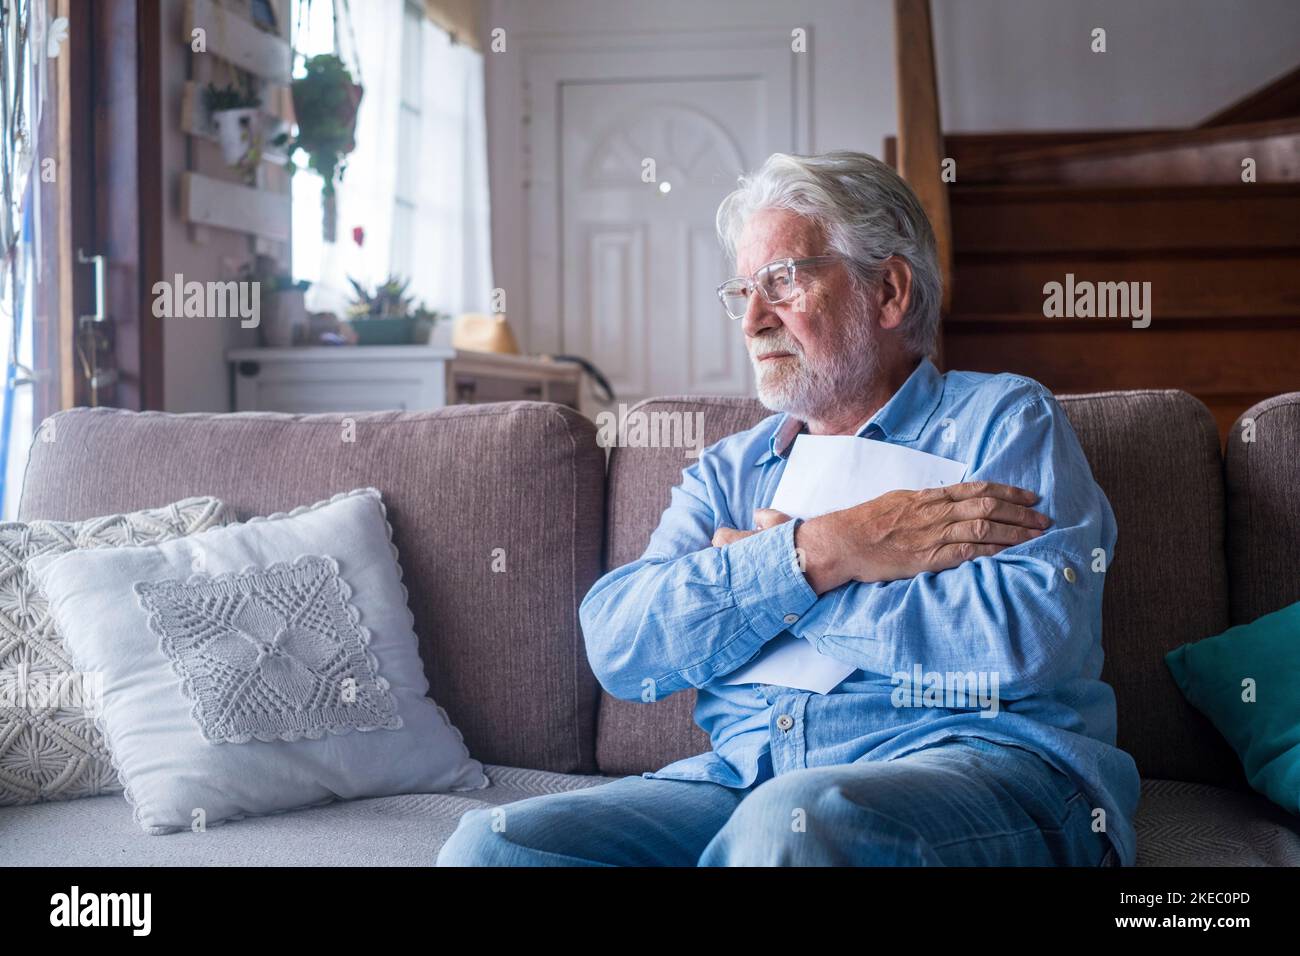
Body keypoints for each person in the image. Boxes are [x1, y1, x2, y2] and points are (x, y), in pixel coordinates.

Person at [437, 150, 1139, 867]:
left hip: (971, 768)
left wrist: (780, 582)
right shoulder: (731, 469)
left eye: (782, 281)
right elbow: (620, 644)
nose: (752, 319)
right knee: (491, 848)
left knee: (790, 825)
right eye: (742, 290)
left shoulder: (1004, 419)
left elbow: (1030, 636)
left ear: (889, 291)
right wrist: (823, 551)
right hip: (742, 779)